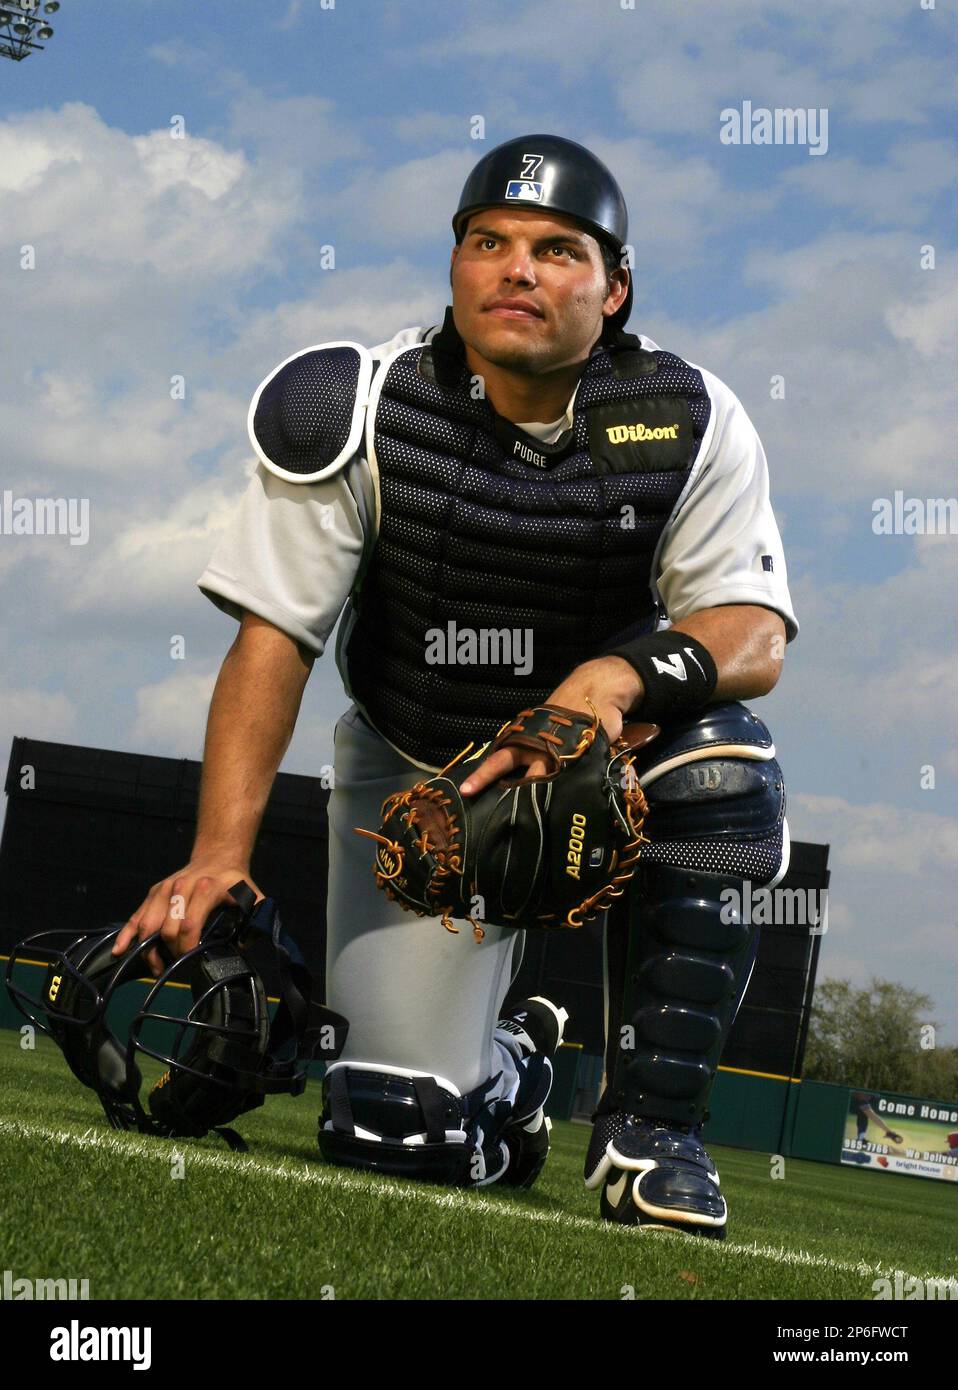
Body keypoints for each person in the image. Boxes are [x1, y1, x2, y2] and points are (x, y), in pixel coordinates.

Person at [113, 134, 798, 1233]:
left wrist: (606, 681)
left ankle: (651, 1128)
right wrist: (218, 857)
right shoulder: (357, 403)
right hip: (420, 772)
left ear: (614, 288)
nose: (515, 269)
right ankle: (514, 1074)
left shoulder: (685, 415)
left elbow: (752, 631)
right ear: (454, 268)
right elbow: (275, 638)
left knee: (724, 768)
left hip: (599, 754)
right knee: (394, 1132)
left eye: (555, 250)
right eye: (487, 242)